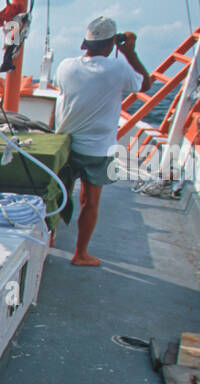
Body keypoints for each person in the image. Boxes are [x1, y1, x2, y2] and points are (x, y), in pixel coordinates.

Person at [54, 16, 151, 266]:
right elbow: (146, 84)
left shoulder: (65, 66)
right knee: (90, 202)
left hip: (65, 143)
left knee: (56, 193)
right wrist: (130, 53)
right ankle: (80, 254)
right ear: (111, 44)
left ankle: (50, 238)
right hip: (97, 149)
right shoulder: (118, 68)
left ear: (85, 42)